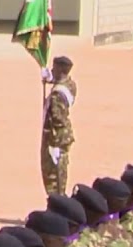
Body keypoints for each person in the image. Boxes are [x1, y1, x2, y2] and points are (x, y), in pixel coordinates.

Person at [41, 56, 77, 196]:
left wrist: (53, 144)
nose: (52, 70)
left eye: (54, 68)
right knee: (60, 172)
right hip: (65, 136)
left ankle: (56, 205)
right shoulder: (70, 84)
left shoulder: (57, 95)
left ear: (61, 70)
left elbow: (57, 119)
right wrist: (50, 79)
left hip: (56, 138)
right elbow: (61, 83)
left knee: (53, 176)